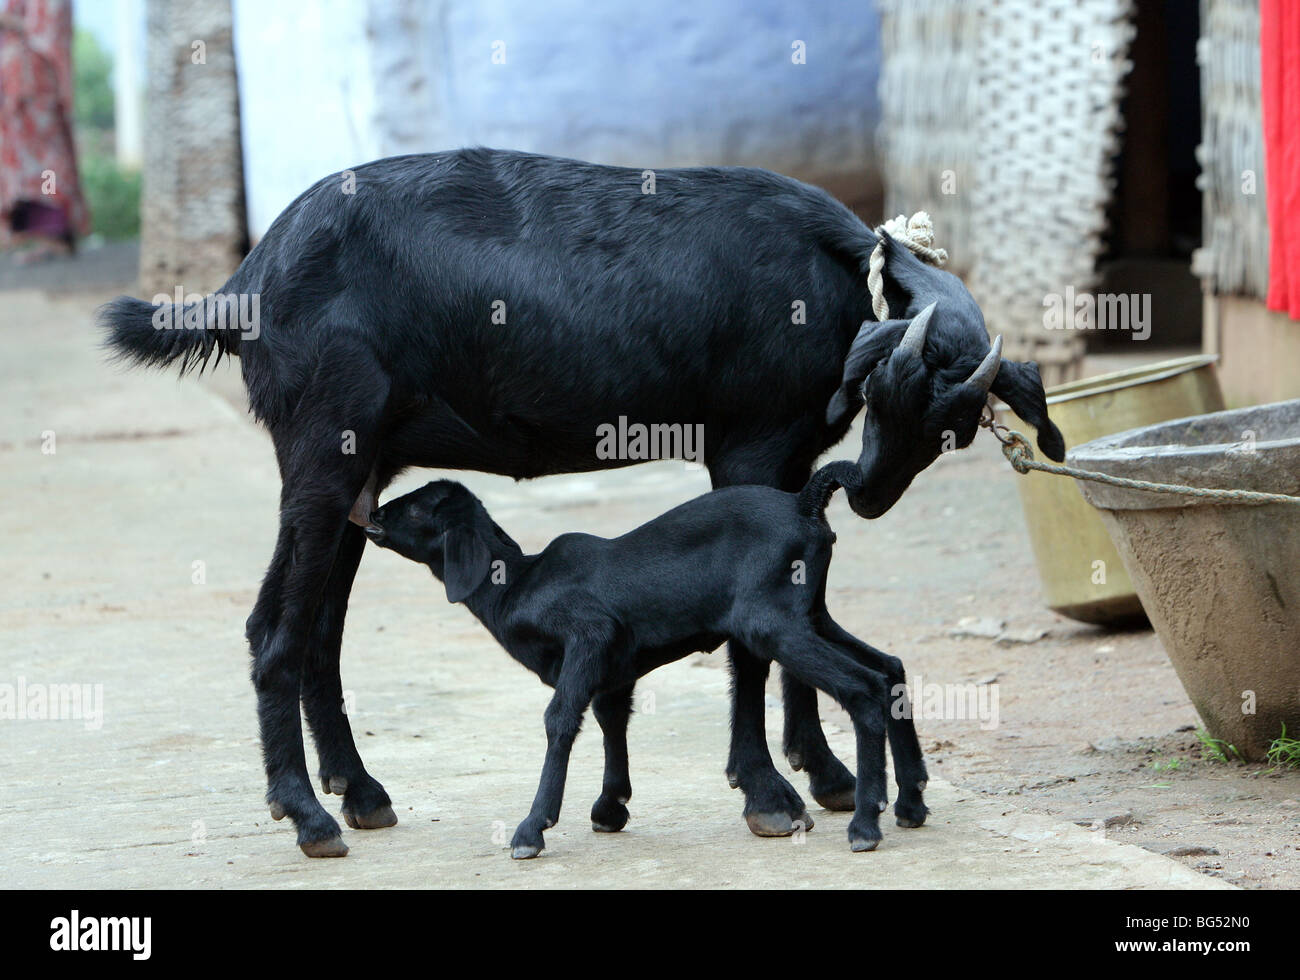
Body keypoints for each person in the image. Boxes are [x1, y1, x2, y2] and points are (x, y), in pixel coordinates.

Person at [0, 0, 89, 264]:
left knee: (47, 158)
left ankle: (53, 236)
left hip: (37, 81)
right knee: (20, 160)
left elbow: (48, 28)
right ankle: (29, 233)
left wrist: (8, 22)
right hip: (16, 83)